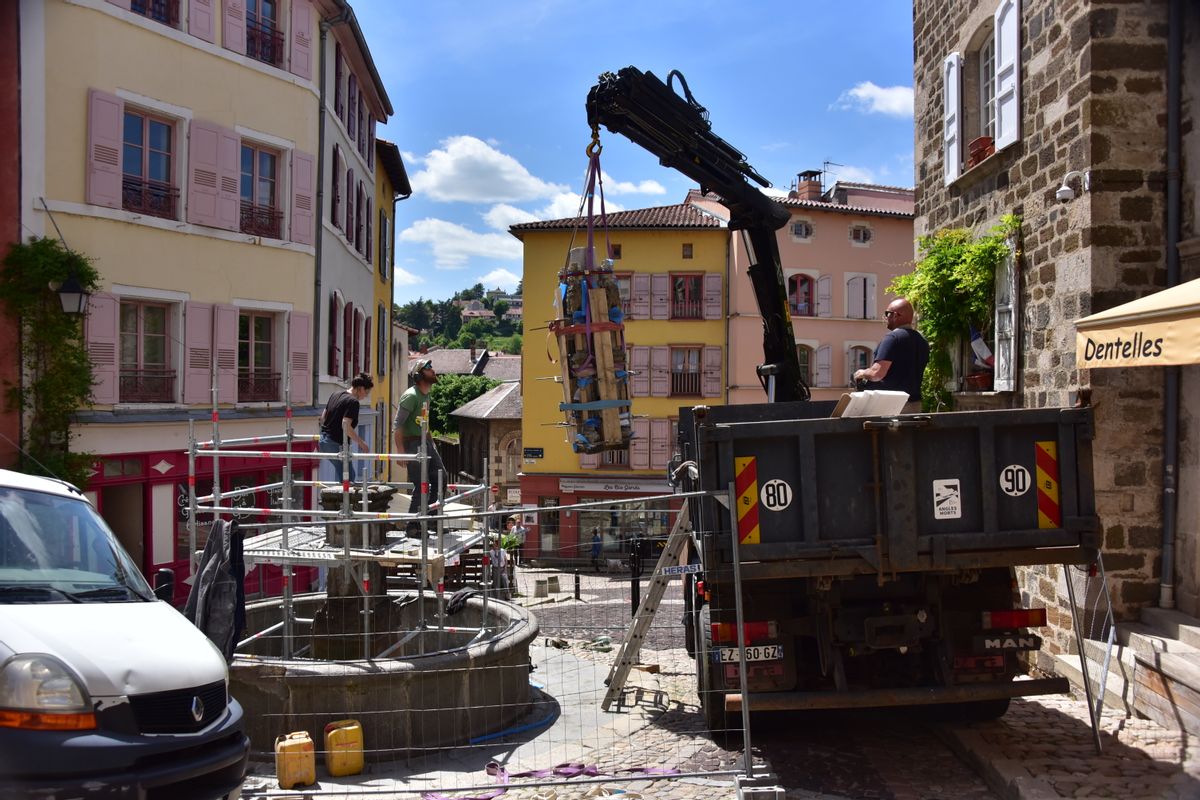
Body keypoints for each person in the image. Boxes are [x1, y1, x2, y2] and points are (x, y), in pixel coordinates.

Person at [853, 297, 930, 413]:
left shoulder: (893, 338)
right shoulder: (922, 341)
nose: (886, 317)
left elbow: (877, 374)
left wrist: (862, 373)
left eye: (887, 313)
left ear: (896, 315)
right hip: (914, 405)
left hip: (890, 407)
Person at [394, 359, 444, 536]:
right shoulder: (411, 396)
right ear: (419, 374)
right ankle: (412, 525)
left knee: (441, 478)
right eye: (429, 368)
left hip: (425, 441)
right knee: (422, 484)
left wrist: (432, 446)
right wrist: (401, 453)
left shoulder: (426, 395)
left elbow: (425, 424)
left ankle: (429, 521)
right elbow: (397, 425)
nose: (433, 370)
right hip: (412, 443)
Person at [318, 372, 373, 482]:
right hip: (335, 442)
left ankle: (342, 497)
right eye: (366, 392)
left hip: (324, 441)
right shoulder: (353, 402)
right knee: (348, 477)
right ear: (360, 388)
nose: (366, 395)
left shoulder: (335, 394)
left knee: (344, 475)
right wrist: (362, 443)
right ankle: (343, 499)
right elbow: (346, 425)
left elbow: (323, 417)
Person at [489, 535, 510, 600]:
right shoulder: (491, 552)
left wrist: (505, 569)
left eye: (495, 545)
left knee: (505, 581)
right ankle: (496, 596)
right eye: (494, 545)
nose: (494, 546)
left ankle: (507, 595)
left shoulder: (502, 551)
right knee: (495, 583)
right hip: (495, 568)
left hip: (502, 568)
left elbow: (505, 560)